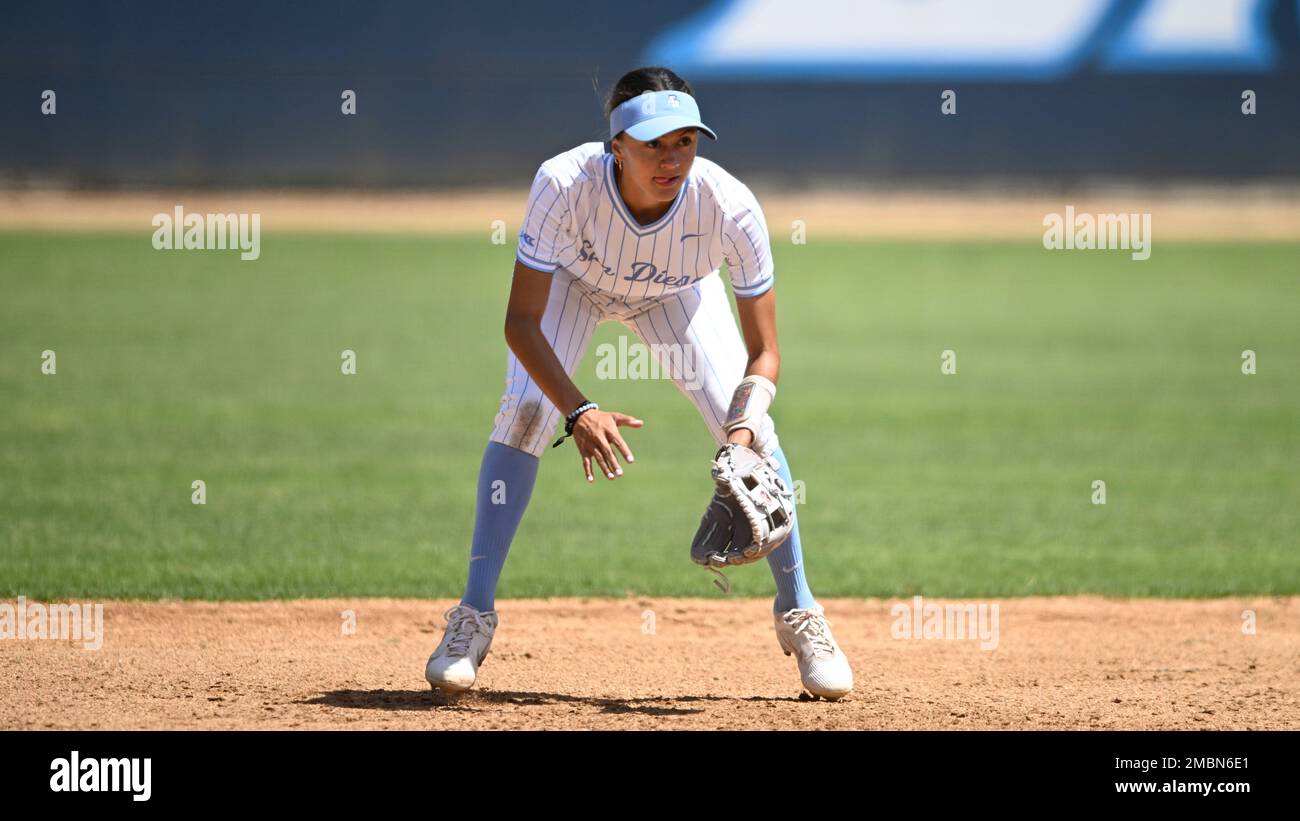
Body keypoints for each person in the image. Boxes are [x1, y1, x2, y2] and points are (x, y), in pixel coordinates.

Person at [424, 66, 854, 700]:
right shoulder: (563, 184)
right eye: (653, 142)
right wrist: (577, 409)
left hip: (675, 294)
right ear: (616, 145)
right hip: (575, 281)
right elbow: (520, 323)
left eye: (684, 140)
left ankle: (801, 615)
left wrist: (738, 437)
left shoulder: (728, 206)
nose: (671, 157)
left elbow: (765, 354)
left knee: (755, 431)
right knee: (522, 413)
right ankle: (472, 618)